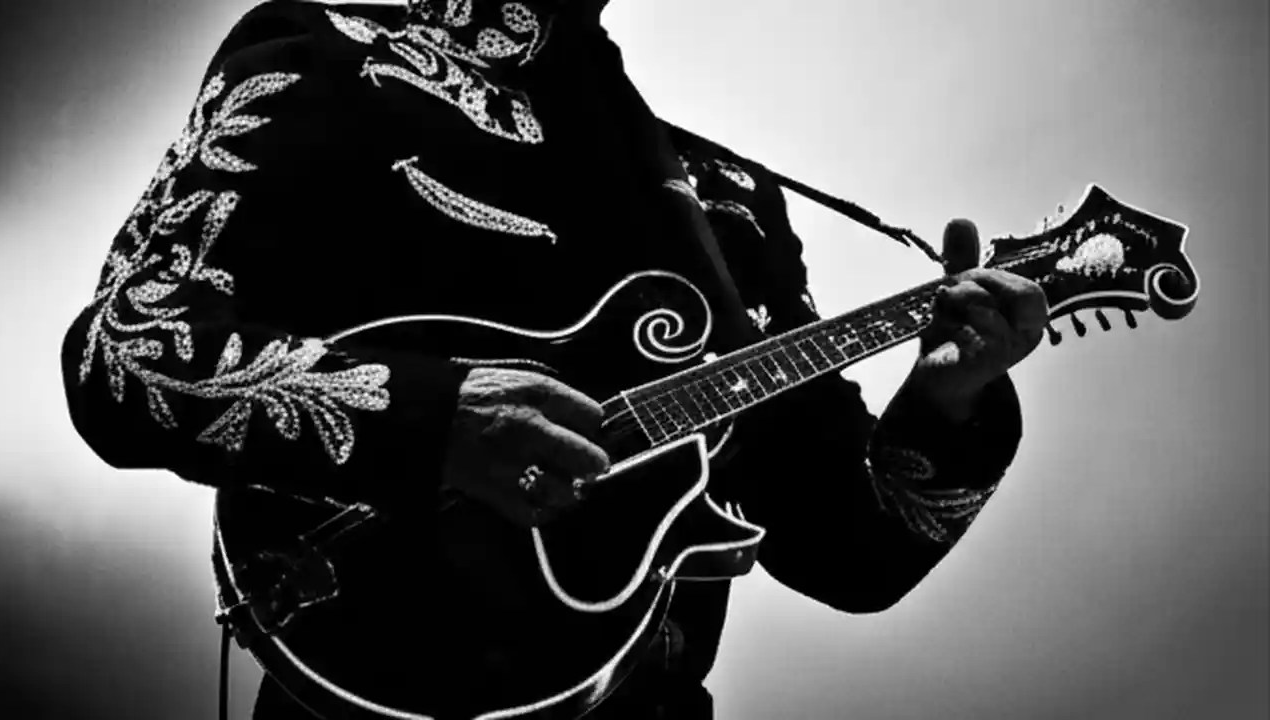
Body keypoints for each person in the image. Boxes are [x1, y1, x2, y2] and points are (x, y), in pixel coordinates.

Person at [59, 0, 1048, 717]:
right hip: (373, 662)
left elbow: (850, 557)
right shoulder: (330, 54)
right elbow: (128, 352)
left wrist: (948, 401)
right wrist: (433, 422)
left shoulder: (731, 198)